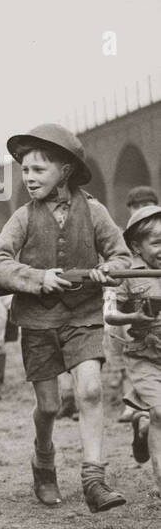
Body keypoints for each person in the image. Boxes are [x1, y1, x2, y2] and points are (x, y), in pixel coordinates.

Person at [0, 123, 131, 512]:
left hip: (83, 316)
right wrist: (37, 278)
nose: (28, 178)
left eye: (38, 170)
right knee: (48, 406)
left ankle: (94, 480)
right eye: (25, 170)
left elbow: (121, 256)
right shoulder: (22, 217)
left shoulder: (95, 210)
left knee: (91, 391)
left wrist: (109, 270)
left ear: (65, 169)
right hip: (36, 323)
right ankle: (43, 460)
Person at [104, 204, 161, 492]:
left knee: (156, 415)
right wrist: (134, 317)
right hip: (145, 357)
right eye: (157, 242)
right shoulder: (128, 275)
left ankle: (141, 426)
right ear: (137, 246)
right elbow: (110, 313)